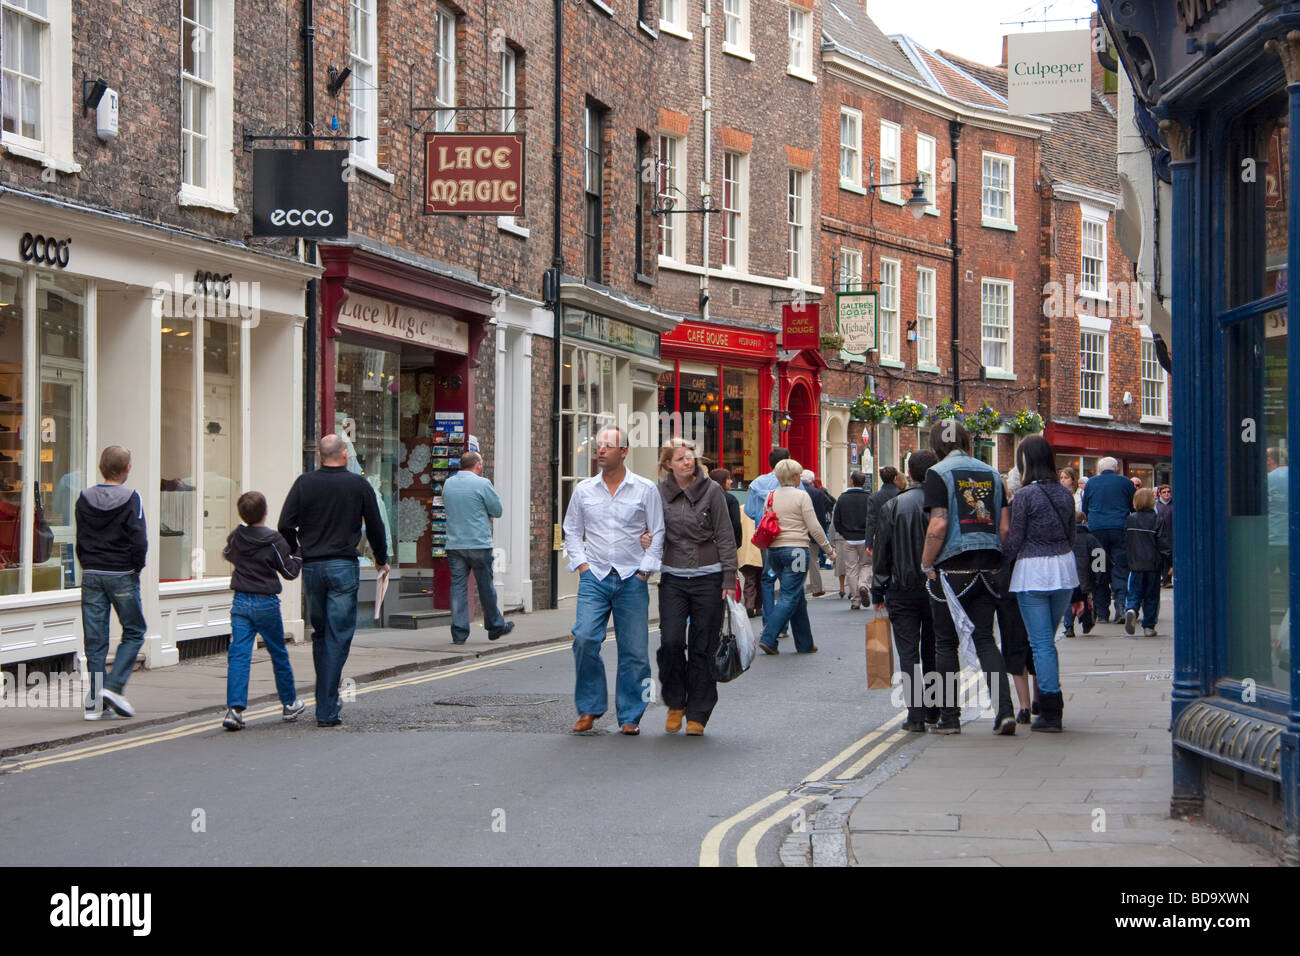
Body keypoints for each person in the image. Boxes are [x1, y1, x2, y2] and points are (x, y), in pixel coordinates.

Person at [278, 434, 389, 728]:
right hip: (342, 566)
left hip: (313, 568)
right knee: (338, 636)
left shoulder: (304, 483)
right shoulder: (358, 484)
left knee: (321, 634)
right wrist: (381, 558)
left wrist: (298, 550)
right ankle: (326, 707)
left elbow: (284, 524)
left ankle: (326, 701)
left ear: (319, 457)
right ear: (343, 455)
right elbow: (375, 525)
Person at [563, 426, 664, 735]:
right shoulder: (583, 491)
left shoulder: (645, 489)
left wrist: (644, 570)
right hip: (594, 576)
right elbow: (571, 530)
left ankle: (631, 714)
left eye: (608, 445)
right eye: (598, 445)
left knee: (634, 650)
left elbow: (657, 531)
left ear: (624, 451)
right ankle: (590, 708)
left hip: (631, 577)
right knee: (584, 639)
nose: (601, 450)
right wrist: (581, 565)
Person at [919, 421, 1017, 736]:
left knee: (945, 642)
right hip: (988, 568)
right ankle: (1004, 711)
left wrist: (926, 563)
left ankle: (949, 718)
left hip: (951, 570)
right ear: (965, 440)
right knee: (986, 639)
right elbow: (1004, 528)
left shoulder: (938, 473)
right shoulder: (991, 474)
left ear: (937, 444)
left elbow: (938, 526)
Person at [659, 440, 736, 736]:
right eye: (679, 458)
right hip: (673, 578)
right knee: (672, 642)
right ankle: (675, 701)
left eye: (689, 457)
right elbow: (651, 529)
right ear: (668, 464)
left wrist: (729, 578)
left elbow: (726, 535)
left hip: (708, 577)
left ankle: (698, 713)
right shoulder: (659, 493)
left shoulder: (712, 491)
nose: (686, 462)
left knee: (703, 646)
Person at [1002, 435, 1078, 733]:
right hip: (1063, 569)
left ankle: (1050, 710)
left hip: (1032, 572)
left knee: (1041, 643)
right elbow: (1072, 534)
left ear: (1026, 462)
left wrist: (1000, 562)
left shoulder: (1023, 496)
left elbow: (1016, 538)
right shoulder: (1064, 493)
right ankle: (1049, 702)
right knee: (1049, 640)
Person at [221, 490, 305, 731]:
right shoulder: (274, 540)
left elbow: (228, 554)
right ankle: (289, 703)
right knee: (278, 653)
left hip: (240, 602)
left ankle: (234, 710)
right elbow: (289, 572)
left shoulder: (236, 537)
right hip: (265, 602)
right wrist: (299, 553)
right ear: (266, 512)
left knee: (239, 654)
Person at [76, 445, 148, 720]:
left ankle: (95, 702)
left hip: (92, 573)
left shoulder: (84, 498)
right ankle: (113, 687)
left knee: (95, 641)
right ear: (127, 469)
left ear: (101, 467)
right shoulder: (132, 498)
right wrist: (135, 568)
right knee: (134, 630)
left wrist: (88, 565)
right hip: (121, 573)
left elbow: (80, 539)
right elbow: (139, 540)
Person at [871, 450, 938, 731]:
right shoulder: (942, 507)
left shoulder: (893, 507)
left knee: (908, 653)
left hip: (901, 589)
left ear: (908, 473)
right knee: (936, 648)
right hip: (936, 588)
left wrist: (878, 590)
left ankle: (916, 716)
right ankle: (937, 710)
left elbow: (882, 555)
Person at [758, 459, 835, 655]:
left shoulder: (770, 496)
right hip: (797, 551)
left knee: (796, 595)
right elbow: (814, 527)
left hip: (774, 551)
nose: (799, 478)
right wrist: (828, 550)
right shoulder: (801, 496)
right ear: (793, 477)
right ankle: (768, 637)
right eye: (798, 475)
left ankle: (805, 643)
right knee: (789, 595)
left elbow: (765, 522)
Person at [443, 450, 514, 645]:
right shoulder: (482, 484)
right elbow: (497, 510)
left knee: (458, 588)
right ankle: (495, 626)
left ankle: (459, 633)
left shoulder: (448, 483)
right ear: (478, 465)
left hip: (454, 544)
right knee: (485, 587)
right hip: (478, 544)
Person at [993, 476, 1036, 724]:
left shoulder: (1002, 514)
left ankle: (1024, 706)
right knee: (1039, 642)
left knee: (1013, 641)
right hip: (1034, 578)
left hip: (1008, 580)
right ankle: (1042, 699)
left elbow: (1004, 534)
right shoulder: (1036, 511)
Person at [1081, 457, 1135, 624]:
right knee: (1120, 568)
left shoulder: (1091, 483)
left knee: (1099, 569)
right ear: (1116, 468)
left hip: (1097, 532)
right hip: (1119, 530)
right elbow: (1133, 505)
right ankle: (1120, 607)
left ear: (1099, 469)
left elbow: (1085, 508)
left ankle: (1102, 612)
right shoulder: (1126, 482)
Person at [745, 447, 790, 624]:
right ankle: (782, 624)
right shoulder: (793, 483)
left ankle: (769, 622)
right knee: (788, 580)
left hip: (766, 537)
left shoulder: (757, 483)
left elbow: (749, 511)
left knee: (768, 577)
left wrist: (761, 517)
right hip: (789, 537)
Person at [1124, 487, 1172, 637]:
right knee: (1151, 595)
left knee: (1134, 591)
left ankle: (1131, 609)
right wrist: (1169, 563)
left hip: (1135, 564)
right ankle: (1149, 626)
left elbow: (1125, 542)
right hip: (1153, 564)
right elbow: (1164, 543)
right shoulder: (1157, 520)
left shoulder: (1130, 519)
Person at [832, 471, 871, 609]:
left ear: (851, 481)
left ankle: (855, 600)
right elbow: (873, 519)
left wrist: (844, 533)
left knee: (851, 569)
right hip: (865, 538)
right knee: (866, 565)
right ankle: (863, 585)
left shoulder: (842, 498)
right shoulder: (868, 498)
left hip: (848, 539)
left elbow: (836, 520)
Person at [1064, 512, 1103, 637]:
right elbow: (1099, 555)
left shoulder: (1066, 538)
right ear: (1083, 521)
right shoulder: (1090, 538)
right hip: (1086, 576)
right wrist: (1098, 576)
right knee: (1085, 598)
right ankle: (1087, 623)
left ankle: (1069, 626)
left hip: (1069, 576)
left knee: (1069, 601)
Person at [802, 469, 833, 597]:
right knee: (813, 561)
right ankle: (816, 588)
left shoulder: (795, 491)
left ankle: (798, 589)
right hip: (812, 532)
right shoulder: (817, 493)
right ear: (811, 480)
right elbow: (829, 504)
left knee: (797, 562)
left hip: (797, 532)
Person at [864, 466, 903, 558]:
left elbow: (871, 521)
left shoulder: (874, 498)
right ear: (895, 478)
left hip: (881, 537)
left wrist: (868, 543)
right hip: (900, 536)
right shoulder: (903, 495)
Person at [710, 467, 742, 550]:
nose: (731, 481)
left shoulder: (705, 497)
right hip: (726, 544)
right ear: (720, 480)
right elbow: (736, 524)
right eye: (728, 478)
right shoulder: (731, 499)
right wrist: (737, 543)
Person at [1154, 484, 1174, 587]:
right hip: (1159, 536)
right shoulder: (1156, 507)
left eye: (1168, 491)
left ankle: (1167, 580)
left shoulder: (1174, 505)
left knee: (1169, 557)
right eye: (1164, 492)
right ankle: (1163, 578)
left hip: (1172, 536)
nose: (1166, 494)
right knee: (1161, 558)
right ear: (1159, 494)